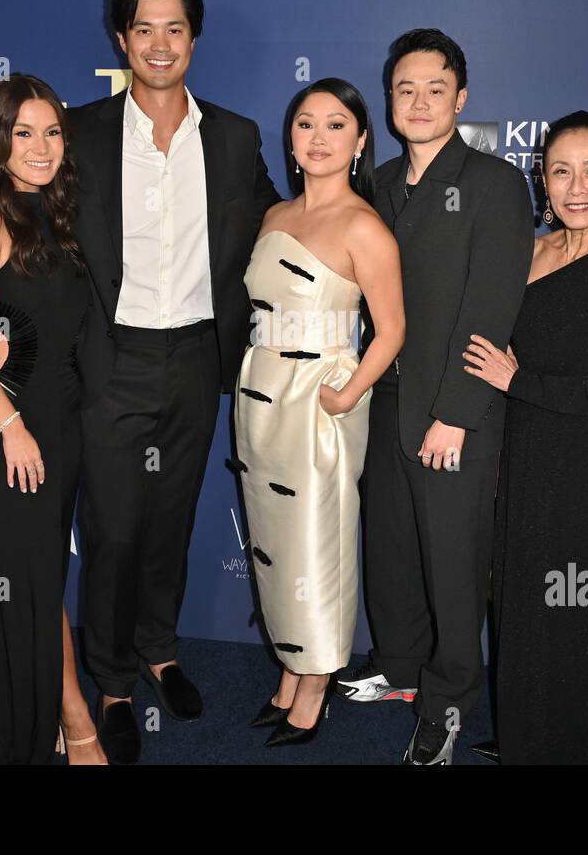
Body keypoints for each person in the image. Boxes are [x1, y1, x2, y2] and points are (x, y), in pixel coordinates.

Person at [66, 0, 280, 764]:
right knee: (113, 530)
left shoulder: (233, 135)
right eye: (144, 29)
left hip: (196, 355)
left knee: (171, 522)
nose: (160, 44)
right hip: (109, 356)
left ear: (194, 39)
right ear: (122, 40)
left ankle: (160, 652)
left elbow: (274, 220)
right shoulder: (79, 130)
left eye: (175, 29)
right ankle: (113, 683)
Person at [338, 29, 531, 764]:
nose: (418, 101)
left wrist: (455, 415)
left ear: (463, 97)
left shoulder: (494, 183)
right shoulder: (380, 184)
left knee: (452, 562)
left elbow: (490, 307)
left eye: (435, 88)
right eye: (404, 88)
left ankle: (448, 701)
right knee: (390, 549)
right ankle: (401, 665)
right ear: (389, 98)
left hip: (455, 412)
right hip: (383, 402)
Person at [463, 111, 588, 764]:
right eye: (561, 171)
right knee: (519, 603)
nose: (577, 187)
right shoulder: (535, 248)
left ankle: (571, 749)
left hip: (580, 466)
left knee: (569, 614)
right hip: (517, 453)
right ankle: (524, 737)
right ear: (542, 178)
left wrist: (522, 383)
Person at [235, 79, 404, 747]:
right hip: (262, 390)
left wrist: (348, 392)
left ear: (361, 141)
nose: (318, 137)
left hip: (322, 395)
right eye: (306, 124)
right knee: (275, 541)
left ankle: (316, 681)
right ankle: (288, 667)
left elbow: (391, 328)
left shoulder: (365, 225)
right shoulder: (276, 216)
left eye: (337, 125)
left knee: (316, 540)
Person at [0, 74, 103, 764]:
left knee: (40, 586)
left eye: (52, 132)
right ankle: (23, 746)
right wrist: (11, 425)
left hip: (56, 422)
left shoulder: (55, 215)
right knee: (19, 597)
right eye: (22, 132)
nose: (40, 147)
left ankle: (66, 721)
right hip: (6, 429)